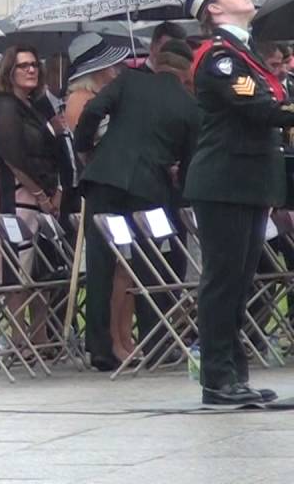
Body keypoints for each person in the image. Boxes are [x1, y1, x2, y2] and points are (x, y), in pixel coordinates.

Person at [182, 0, 294, 405]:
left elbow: (274, 102)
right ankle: (217, 379)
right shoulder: (220, 57)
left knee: (241, 282)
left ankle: (234, 375)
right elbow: (263, 109)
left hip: (245, 180)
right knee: (224, 281)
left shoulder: (243, 53)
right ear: (213, 8)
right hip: (224, 180)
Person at [74, 40, 199, 370]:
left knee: (101, 263)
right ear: (186, 71)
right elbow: (190, 158)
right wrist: (178, 179)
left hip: (106, 180)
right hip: (150, 188)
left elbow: (93, 111)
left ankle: (100, 347)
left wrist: (86, 148)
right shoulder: (189, 106)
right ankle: (154, 338)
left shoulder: (128, 80)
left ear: (157, 62)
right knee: (151, 264)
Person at [0, 45, 59, 348]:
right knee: (18, 266)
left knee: (42, 267)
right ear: (9, 72)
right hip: (15, 191)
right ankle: (19, 337)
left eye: (34, 65)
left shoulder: (36, 106)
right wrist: (40, 193)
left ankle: (40, 335)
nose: (31, 70)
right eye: (23, 66)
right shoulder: (4, 107)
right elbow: (11, 155)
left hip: (42, 193)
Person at [63, 34, 129, 131]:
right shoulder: (79, 99)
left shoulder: (99, 94)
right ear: (97, 71)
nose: (119, 67)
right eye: (114, 64)